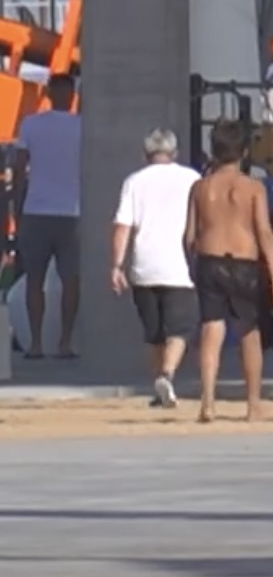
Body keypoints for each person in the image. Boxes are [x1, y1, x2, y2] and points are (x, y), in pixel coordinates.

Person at [184, 120, 273, 423]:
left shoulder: (200, 188)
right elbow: (265, 234)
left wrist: (192, 264)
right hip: (244, 261)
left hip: (210, 259)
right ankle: (253, 403)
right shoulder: (253, 188)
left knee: (211, 331)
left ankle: (207, 401)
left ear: (213, 150)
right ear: (244, 151)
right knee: (249, 332)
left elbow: (189, 236)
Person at [108, 128, 201, 409]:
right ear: (175, 153)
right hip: (180, 266)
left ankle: (159, 384)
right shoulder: (192, 179)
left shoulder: (134, 181)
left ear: (145, 154)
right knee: (180, 329)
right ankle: (167, 375)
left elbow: (122, 226)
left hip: (143, 265)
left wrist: (116, 265)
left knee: (153, 332)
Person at [12, 72, 83, 359]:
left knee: (34, 280)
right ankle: (65, 342)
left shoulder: (31, 124)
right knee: (71, 281)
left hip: (37, 209)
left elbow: (18, 169)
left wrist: (18, 207)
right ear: (72, 94)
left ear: (49, 93)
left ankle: (36, 343)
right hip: (73, 212)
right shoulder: (83, 127)